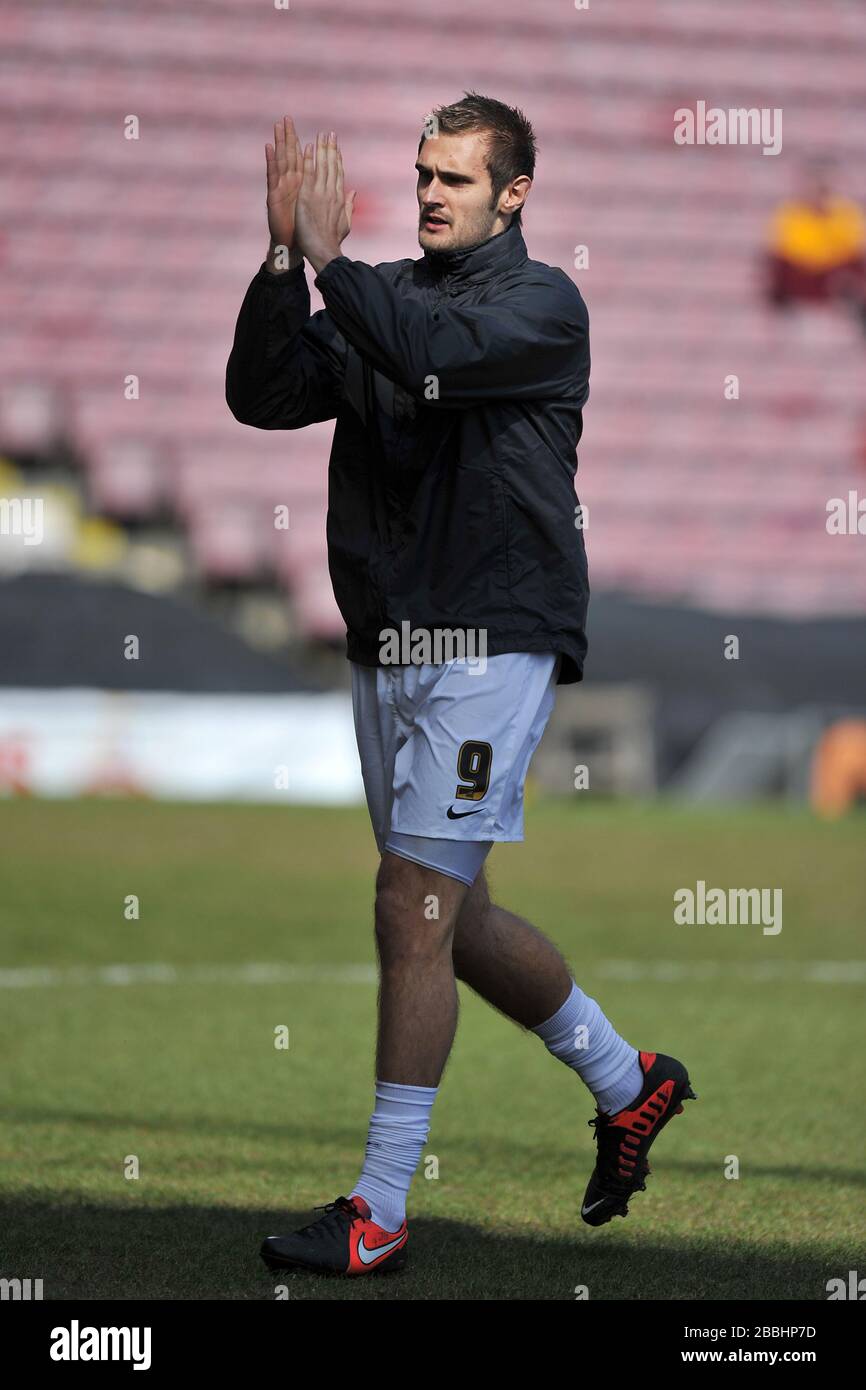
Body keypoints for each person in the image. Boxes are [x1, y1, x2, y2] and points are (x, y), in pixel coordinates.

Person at [226, 92, 696, 1278]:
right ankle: (627, 1079)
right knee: (449, 911)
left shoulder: (541, 305)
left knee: (409, 901)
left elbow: (427, 360)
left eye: (454, 177)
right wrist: (285, 260)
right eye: (421, 172)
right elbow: (264, 394)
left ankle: (379, 1205)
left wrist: (335, 266)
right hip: (390, 638)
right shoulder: (380, 291)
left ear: (513, 195)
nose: (430, 190)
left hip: (491, 633)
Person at [765, 160, 866, 333]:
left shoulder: (847, 213)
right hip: (801, 277)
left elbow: (853, 250)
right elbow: (788, 251)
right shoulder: (789, 214)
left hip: (835, 278)